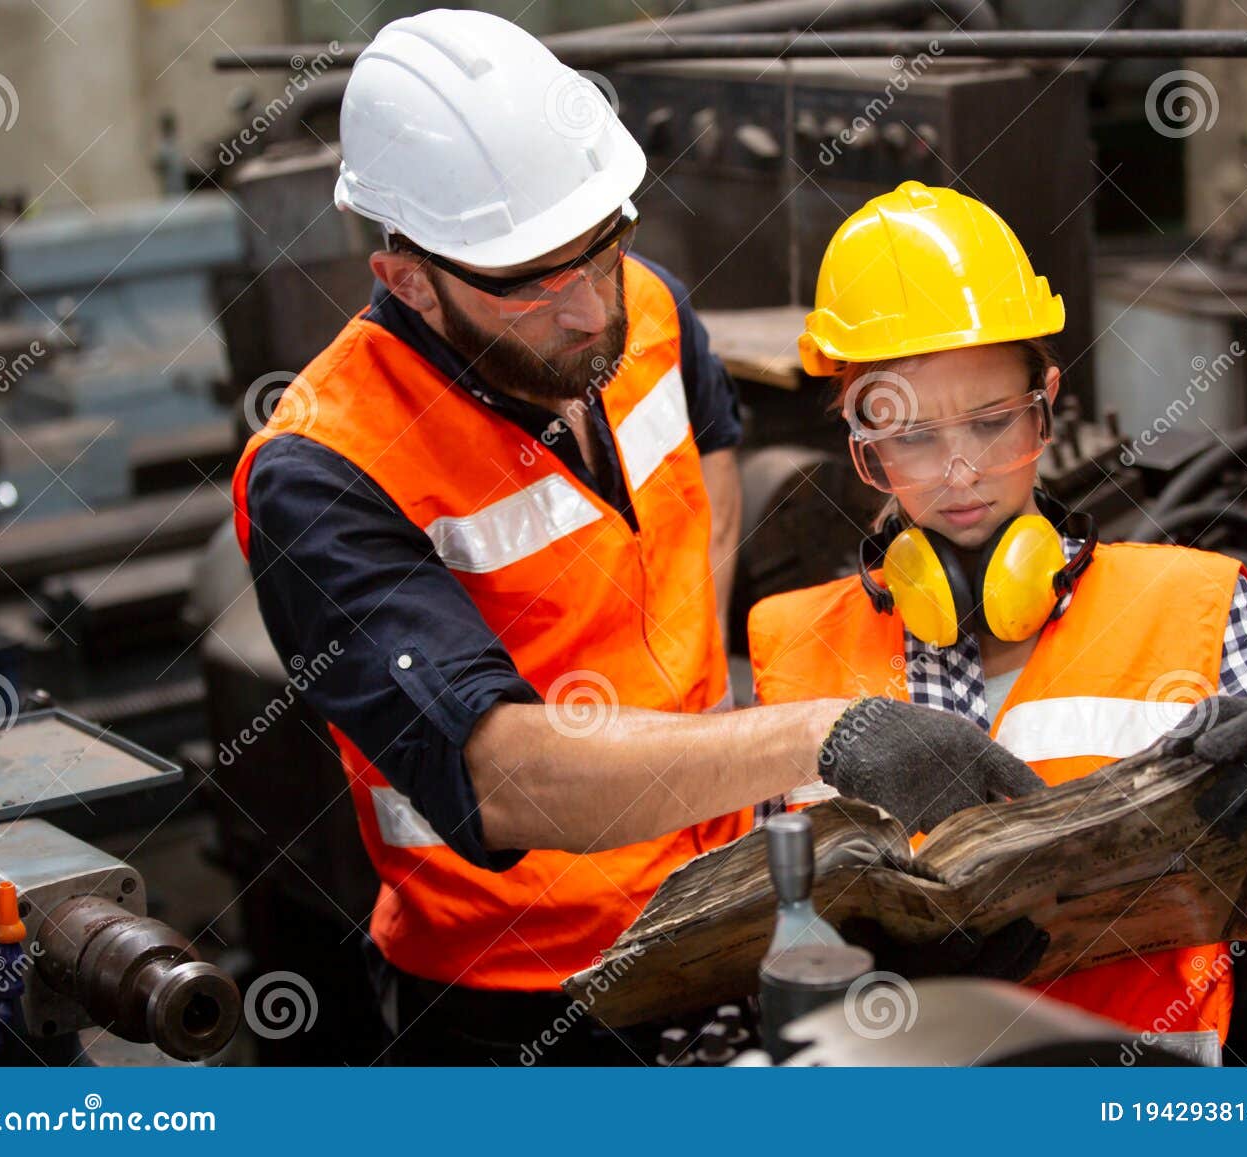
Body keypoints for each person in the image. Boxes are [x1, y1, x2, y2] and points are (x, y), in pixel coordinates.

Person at [231, 13, 1034, 1065]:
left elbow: (709, 492)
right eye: (527, 281)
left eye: (601, 247)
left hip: (729, 905)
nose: (584, 312)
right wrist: (822, 734)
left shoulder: (646, 310)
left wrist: (706, 765)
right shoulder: (322, 474)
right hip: (524, 986)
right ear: (408, 276)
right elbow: (501, 773)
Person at [747, 181, 1247, 1063]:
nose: (961, 474)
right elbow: (752, 949)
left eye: (992, 423)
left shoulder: (1193, 610)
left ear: (1047, 404)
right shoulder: (794, 649)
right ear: (861, 442)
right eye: (913, 437)